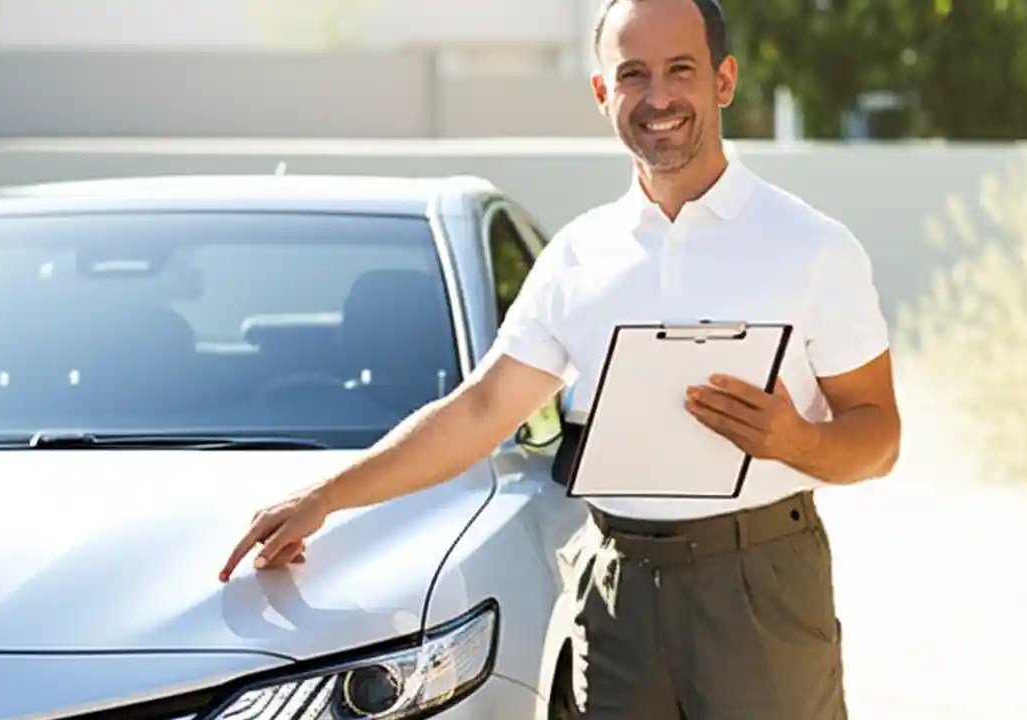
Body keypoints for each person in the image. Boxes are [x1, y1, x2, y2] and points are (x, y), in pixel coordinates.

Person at [220, 0, 902, 717]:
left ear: (723, 80)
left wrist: (796, 440)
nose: (660, 97)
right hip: (616, 591)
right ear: (603, 92)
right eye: (633, 74)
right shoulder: (579, 255)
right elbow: (481, 410)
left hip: (757, 588)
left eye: (681, 70)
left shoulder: (813, 247)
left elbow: (879, 437)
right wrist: (325, 497)